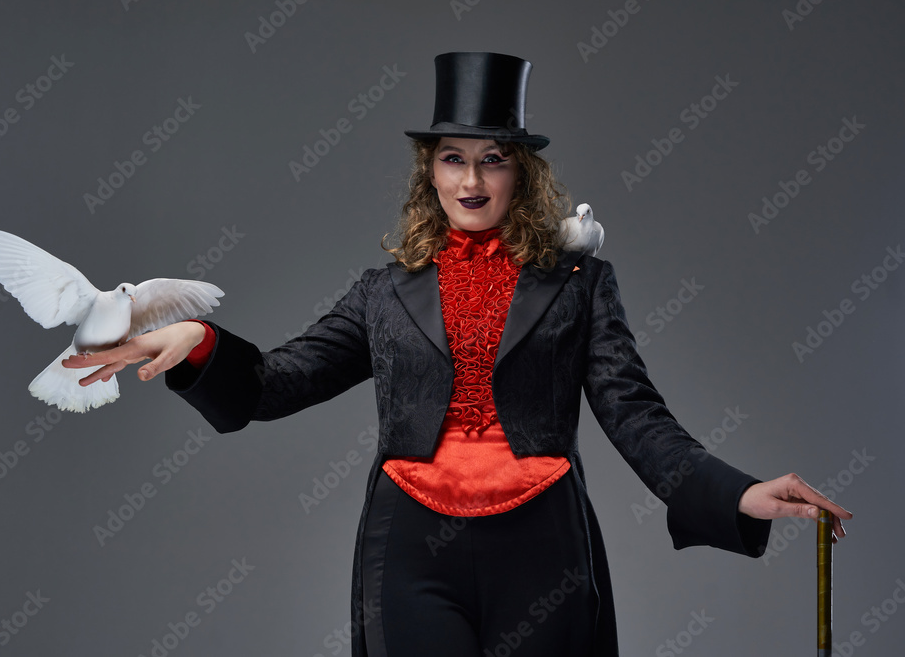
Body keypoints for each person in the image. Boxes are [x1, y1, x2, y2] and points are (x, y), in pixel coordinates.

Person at [64, 52, 852, 656]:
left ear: (522, 172)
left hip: (543, 547)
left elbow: (634, 413)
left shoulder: (578, 283)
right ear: (429, 172)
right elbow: (275, 382)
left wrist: (737, 493)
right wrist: (196, 341)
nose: (471, 179)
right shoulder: (382, 292)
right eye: (452, 158)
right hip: (410, 550)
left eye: (492, 158)